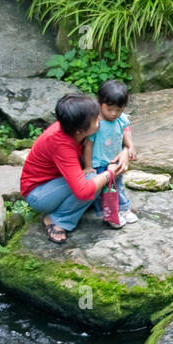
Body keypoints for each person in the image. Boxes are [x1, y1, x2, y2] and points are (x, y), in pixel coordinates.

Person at [20, 93, 120, 244]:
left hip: (59, 180)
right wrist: (109, 174)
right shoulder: (61, 143)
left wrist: (125, 152)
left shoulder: (74, 127)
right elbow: (83, 190)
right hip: (39, 193)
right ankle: (57, 219)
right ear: (80, 130)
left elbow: (118, 134)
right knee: (92, 180)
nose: (100, 118)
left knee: (94, 175)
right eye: (95, 118)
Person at [82, 79, 138, 227]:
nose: (114, 114)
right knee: (104, 191)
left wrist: (129, 146)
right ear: (100, 103)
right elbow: (88, 145)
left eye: (118, 110)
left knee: (118, 186)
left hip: (115, 161)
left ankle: (124, 209)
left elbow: (126, 129)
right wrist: (88, 166)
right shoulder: (96, 122)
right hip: (99, 164)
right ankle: (108, 214)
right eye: (109, 109)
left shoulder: (121, 118)